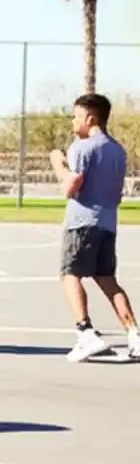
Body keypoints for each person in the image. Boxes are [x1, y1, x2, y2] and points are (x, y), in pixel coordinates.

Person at [50, 92, 140, 362]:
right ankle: (134, 335)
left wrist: (58, 163)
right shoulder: (117, 151)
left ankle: (85, 332)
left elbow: (70, 187)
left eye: (76, 117)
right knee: (107, 278)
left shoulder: (82, 147)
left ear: (90, 118)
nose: (73, 122)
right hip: (107, 223)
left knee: (69, 274)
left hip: (82, 222)